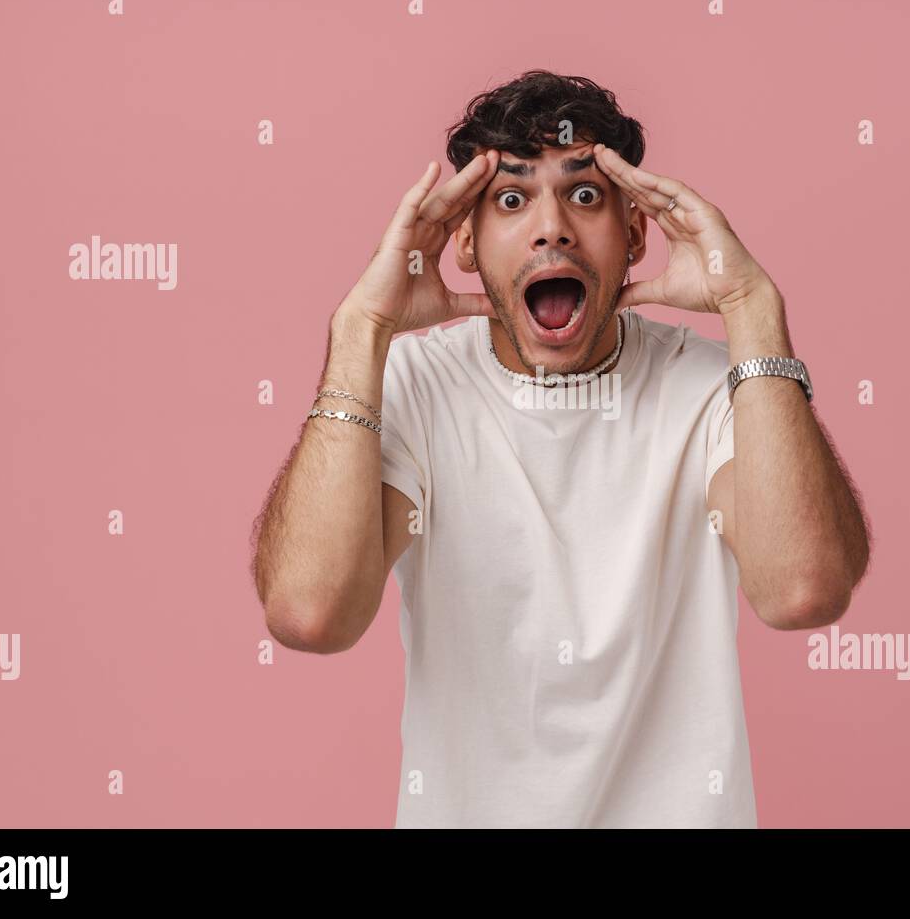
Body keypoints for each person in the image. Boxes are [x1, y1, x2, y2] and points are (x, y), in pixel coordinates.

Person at [250, 70, 871, 828]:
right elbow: (311, 614)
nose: (553, 229)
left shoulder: (717, 388)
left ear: (637, 233)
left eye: (584, 195)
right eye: (512, 199)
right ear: (466, 244)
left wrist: (753, 310)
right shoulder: (412, 388)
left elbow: (804, 589)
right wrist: (359, 333)